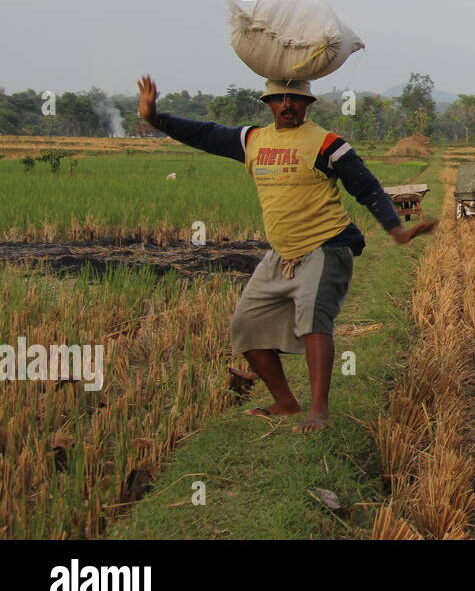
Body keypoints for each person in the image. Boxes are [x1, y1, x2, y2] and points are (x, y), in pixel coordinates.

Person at [136, 75, 434, 433]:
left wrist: (396, 229)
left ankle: (318, 411)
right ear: (269, 104)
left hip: (327, 245)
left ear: (307, 105)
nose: (288, 105)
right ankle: (286, 402)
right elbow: (205, 134)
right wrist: (156, 118)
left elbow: (366, 186)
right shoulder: (253, 141)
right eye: (279, 99)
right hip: (282, 253)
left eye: (295, 100)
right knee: (246, 327)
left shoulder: (327, 144)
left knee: (312, 321)